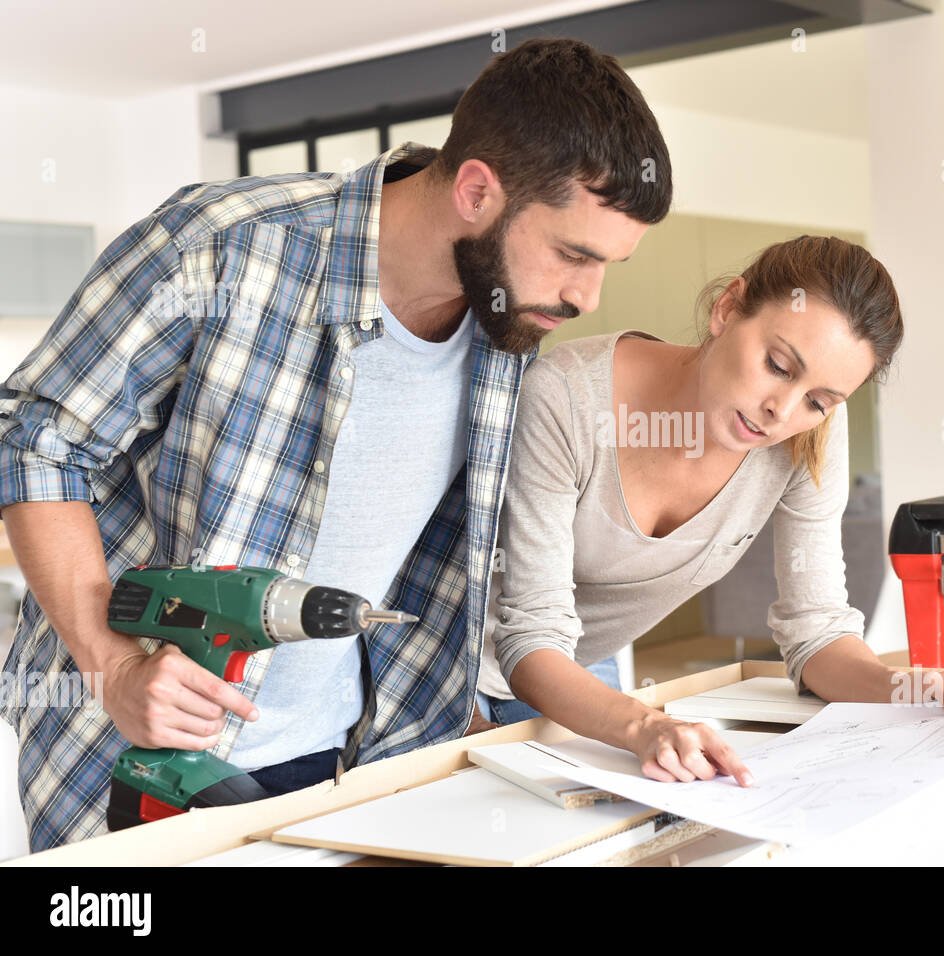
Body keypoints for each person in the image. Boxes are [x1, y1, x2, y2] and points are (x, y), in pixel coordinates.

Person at [0, 37, 671, 851]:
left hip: (363, 759)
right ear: (475, 190)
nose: (585, 296)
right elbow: (37, 442)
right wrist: (113, 668)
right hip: (136, 758)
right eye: (573, 254)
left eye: (610, 266)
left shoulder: (504, 327)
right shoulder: (222, 247)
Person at [475, 236, 944, 784]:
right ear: (727, 308)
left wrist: (905, 689)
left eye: (819, 400)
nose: (781, 410)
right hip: (456, 673)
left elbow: (818, 631)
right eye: (778, 365)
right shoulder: (566, 399)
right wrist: (642, 726)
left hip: (581, 675)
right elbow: (530, 637)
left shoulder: (812, 433)